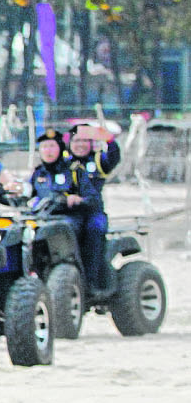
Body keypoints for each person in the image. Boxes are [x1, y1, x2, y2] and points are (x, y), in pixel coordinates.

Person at [66, 121, 121, 298]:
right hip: (67, 212)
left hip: (92, 212)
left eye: (85, 141)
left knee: (94, 231)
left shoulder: (98, 160)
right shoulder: (63, 163)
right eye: (76, 141)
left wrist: (107, 138)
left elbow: (114, 156)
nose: (80, 145)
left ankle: (92, 283)